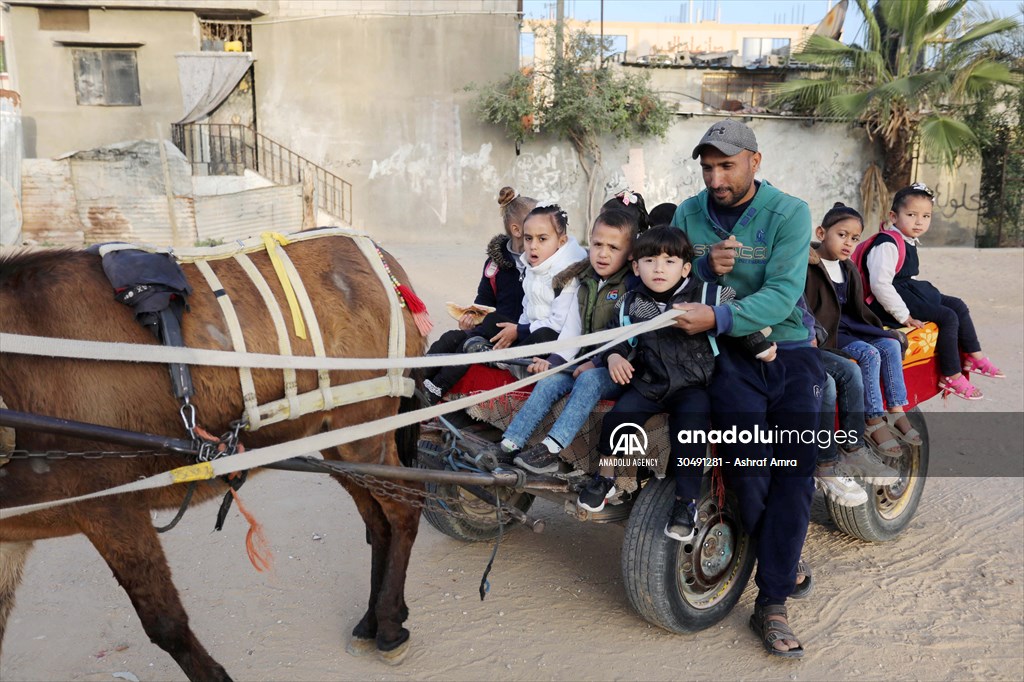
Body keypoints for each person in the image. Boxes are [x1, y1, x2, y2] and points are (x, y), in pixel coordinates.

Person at [671, 119, 824, 657]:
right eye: (707, 168)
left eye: (727, 166)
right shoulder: (688, 214)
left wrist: (716, 314)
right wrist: (701, 264)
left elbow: (783, 294)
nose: (716, 179)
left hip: (791, 354)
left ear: (754, 162)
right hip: (728, 358)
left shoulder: (790, 213)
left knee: (794, 475)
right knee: (750, 472)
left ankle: (772, 603)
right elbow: (668, 276)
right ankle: (784, 553)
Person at [579, 227, 775, 543]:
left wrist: (759, 346)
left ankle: (686, 502)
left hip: (693, 384)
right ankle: (605, 478)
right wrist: (614, 357)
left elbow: (736, 319)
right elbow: (617, 337)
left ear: (685, 269)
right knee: (618, 419)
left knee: (690, 431)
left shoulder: (707, 295)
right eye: (650, 261)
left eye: (669, 261)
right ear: (636, 267)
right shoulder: (631, 302)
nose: (659, 269)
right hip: (650, 381)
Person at [479, 203, 642, 473]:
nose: (602, 254)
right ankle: (510, 444)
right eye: (597, 244)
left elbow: (629, 336)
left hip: (616, 369)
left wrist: (597, 362)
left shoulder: (632, 287)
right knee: (550, 380)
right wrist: (554, 361)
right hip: (581, 359)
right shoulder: (585, 279)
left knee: (589, 380)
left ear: (630, 253)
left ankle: (552, 448)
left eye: (613, 248)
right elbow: (572, 328)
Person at [858, 183, 1003, 399]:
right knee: (947, 316)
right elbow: (880, 285)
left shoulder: (907, 239)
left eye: (926, 216)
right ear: (893, 216)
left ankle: (974, 357)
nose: (919, 221)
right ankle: (951, 375)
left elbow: (907, 275)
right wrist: (904, 316)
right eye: (911, 215)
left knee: (957, 304)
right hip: (885, 301)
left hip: (907, 291)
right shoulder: (886, 243)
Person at [805, 202, 920, 460]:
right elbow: (808, 310)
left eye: (855, 238)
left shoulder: (848, 268)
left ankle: (896, 409)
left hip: (849, 326)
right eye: (842, 235)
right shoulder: (808, 265)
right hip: (829, 332)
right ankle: (873, 419)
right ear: (821, 233)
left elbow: (857, 309)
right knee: (868, 353)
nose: (848, 243)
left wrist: (882, 330)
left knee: (890, 344)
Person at [422, 186, 535, 404]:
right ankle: (415, 379)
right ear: (517, 230)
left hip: (519, 336)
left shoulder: (542, 264)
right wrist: (470, 318)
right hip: (492, 330)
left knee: (470, 344)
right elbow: (484, 303)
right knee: (451, 337)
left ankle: (435, 389)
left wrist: (518, 329)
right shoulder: (495, 264)